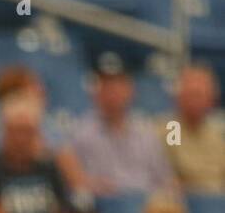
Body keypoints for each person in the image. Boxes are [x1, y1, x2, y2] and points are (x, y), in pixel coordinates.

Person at [68, 52, 176, 198]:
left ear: (130, 89)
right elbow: (76, 185)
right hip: (105, 210)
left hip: (148, 209)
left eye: (119, 83)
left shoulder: (147, 132)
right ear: (95, 90)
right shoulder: (80, 134)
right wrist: (91, 185)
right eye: (106, 84)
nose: (113, 91)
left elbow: (167, 180)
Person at [165, 64, 225, 193]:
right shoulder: (172, 129)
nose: (196, 101)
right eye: (192, 94)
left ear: (212, 100)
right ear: (178, 97)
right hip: (185, 202)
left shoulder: (218, 133)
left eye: (202, 95)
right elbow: (177, 169)